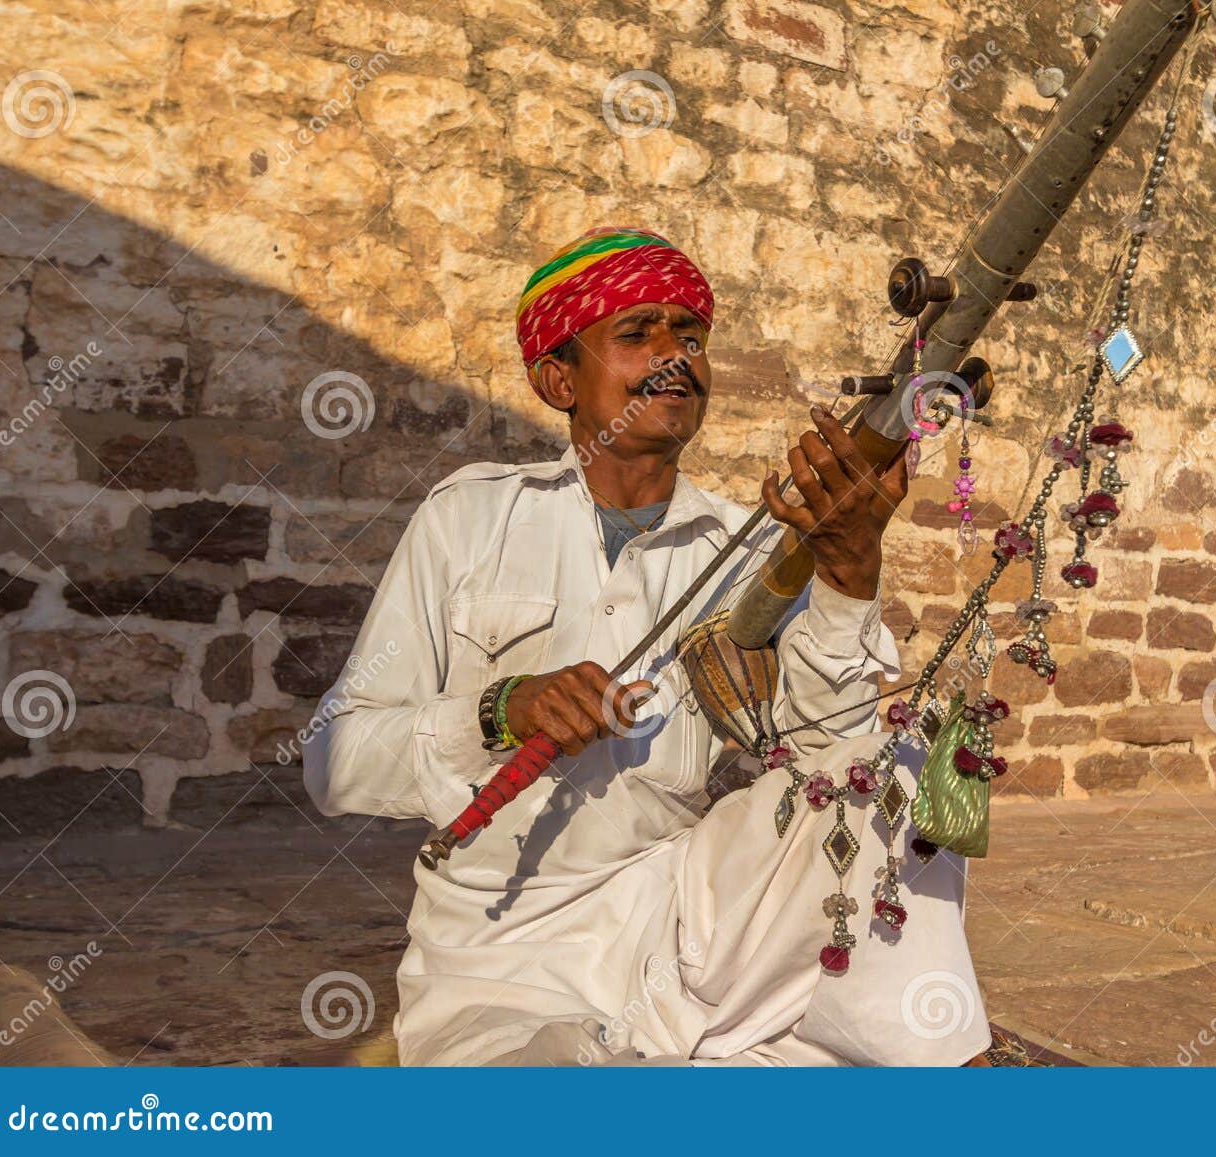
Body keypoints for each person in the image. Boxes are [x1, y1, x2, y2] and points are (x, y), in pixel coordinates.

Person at [301, 226, 991, 1066]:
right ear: (558, 376)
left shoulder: (750, 547)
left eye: (690, 336)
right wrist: (498, 709)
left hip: (682, 918)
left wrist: (848, 569)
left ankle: (935, 1069)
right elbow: (333, 764)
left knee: (895, 765)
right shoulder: (469, 519)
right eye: (637, 334)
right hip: (500, 949)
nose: (676, 355)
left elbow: (826, 746)